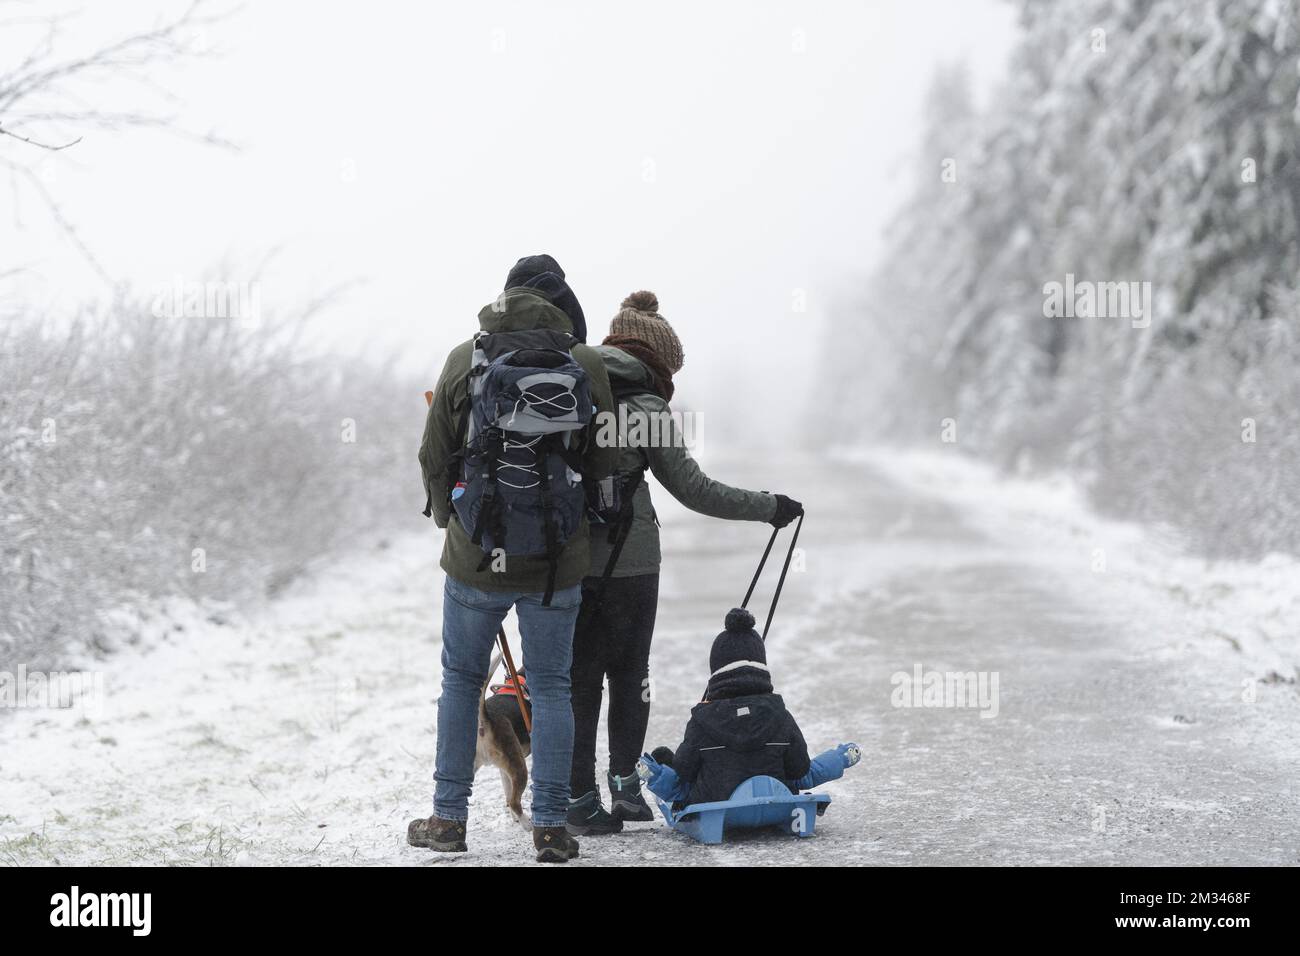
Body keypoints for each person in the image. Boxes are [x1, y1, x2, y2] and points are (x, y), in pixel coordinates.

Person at [566, 290, 803, 835]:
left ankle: (577, 796)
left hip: (569, 560)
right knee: (630, 675)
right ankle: (624, 787)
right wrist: (768, 507)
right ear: (655, 358)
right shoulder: (645, 408)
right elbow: (694, 490)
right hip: (630, 565)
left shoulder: (575, 389)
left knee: (579, 679)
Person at [410, 254, 617, 863]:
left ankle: (448, 819)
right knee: (553, 688)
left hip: (477, 554)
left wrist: (455, 523)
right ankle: (550, 826)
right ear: (561, 303)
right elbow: (602, 460)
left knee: (461, 683)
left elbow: (432, 454)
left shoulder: (465, 356)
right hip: (556, 559)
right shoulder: (586, 363)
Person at [635, 607, 861, 808]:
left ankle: (653, 772)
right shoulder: (780, 714)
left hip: (716, 802)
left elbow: (685, 771)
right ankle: (841, 756)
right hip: (776, 798)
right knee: (805, 776)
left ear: (716, 672)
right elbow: (799, 768)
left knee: (681, 787)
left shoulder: (701, 720)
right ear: (761, 667)